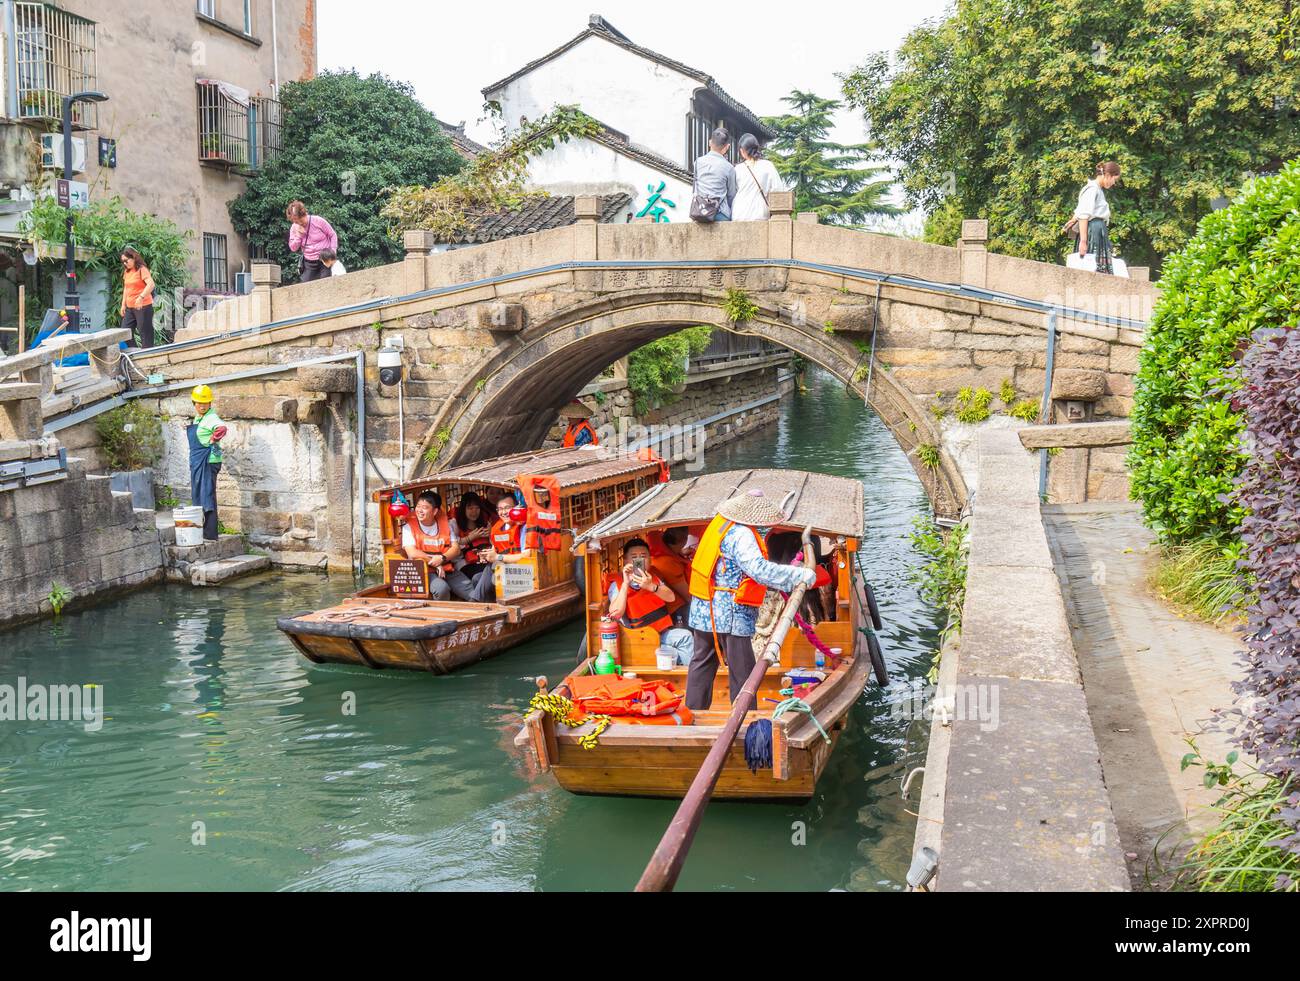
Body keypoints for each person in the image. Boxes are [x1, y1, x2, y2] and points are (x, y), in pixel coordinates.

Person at [685, 489, 816, 710]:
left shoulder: (720, 524)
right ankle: (745, 718)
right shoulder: (742, 535)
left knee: (702, 661)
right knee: (743, 670)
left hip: (704, 608)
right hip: (730, 613)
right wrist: (799, 574)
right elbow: (759, 570)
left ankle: (693, 713)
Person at [607, 538, 695, 665]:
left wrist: (650, 587)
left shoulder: (652, 576)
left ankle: (688, 677)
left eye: (643, 556)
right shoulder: (618, 584)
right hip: (638, 639)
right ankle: (690, 678)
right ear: (625, 561)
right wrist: (626, 583)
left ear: (649, 559)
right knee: (680, 646)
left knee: (685, 636)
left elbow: (671, 597)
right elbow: (615, 613)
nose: (639, 560)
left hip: (660, 633)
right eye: (634, 557)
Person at [401, 490, 494, 603]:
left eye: (425, 507)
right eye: (418, 506)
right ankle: (441, 617)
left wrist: (442, 559)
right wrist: (435, 563)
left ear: (435, 511)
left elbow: (455, 549)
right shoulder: (408, 527)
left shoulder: (444, 525)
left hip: (447, 568)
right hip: (424, 570)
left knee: (473, 593)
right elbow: (412, 553)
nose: (419, 510)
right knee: (441, 589)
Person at [187, 385, 228, 543]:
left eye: (205, 403)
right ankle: (201, 531)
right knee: (199, 496)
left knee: (207, 496)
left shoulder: (211, 417)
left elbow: (222, 428)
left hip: (208, 462)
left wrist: (213, 439)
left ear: (210, 403)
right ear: (194, 403)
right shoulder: (199, 418)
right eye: (198, 403)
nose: (202, 405)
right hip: (198, 461)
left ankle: (210, 534)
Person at [1072, 161, 1122, 275]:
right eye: (1114, 179)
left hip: (1097, 230)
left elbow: (1080, 211)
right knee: (1091, 266)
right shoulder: (1092, 189)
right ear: (1108, 175)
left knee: (1096, 267)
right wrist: (1083, 241)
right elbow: (1084, 215)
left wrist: (1073, 218)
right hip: (1092, 232)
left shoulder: (1097, 189)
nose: (1114, 183)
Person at [731, 134, 786, 222]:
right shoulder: (768, 165)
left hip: (739, 213)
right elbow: (777, 189)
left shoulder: (737, 169)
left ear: (742, 151)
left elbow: (732, 191)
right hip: (760, 213)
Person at [691, 128, 738, 223]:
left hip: (700, 211)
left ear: (709, 142)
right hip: (720, 214)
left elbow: (695, 188)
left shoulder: (698, 162)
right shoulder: (729, 168)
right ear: (727, 147)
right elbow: (731, 195)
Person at [648, 526, 692, 625]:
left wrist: (682, 553)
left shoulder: (662, 553)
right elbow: (687, 596)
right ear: (685, 540)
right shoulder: (667, 563)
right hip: (677, 609)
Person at [286, 200, 338, 283]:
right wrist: (299, 236)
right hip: (309, 261)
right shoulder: (294, 228)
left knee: (325, 282)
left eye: (301, 220)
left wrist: (333, 251)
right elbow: (293, 248)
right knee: (306, 285)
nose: (299, 223)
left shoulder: (318, 221)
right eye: (296, 221)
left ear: (305, 214)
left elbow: (332, 235)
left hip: (325, 258)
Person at [120, 247, 156, 348]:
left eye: (126, 261)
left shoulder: (142, 269)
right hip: (130, 307)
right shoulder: (127, 272)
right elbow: (126, 288)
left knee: (145, 333)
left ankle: (147, 357)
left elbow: (151, 284)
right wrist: (123, 305)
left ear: (133, 258)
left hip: (143, 306)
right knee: (125, 332)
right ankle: (136, 352)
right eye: (123, 261)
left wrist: (141, 297)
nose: (125, 263)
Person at [455, 492, 492, 581]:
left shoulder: (486, 523)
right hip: (467, 564)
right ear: (464, 508)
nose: (474, 512)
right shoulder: (455, 524)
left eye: (477, 508)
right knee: (481, 577)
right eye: (470, 508)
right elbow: (452, 546)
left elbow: (495, 544)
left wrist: (492, 533)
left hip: (487, 560)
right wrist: (469, 538)